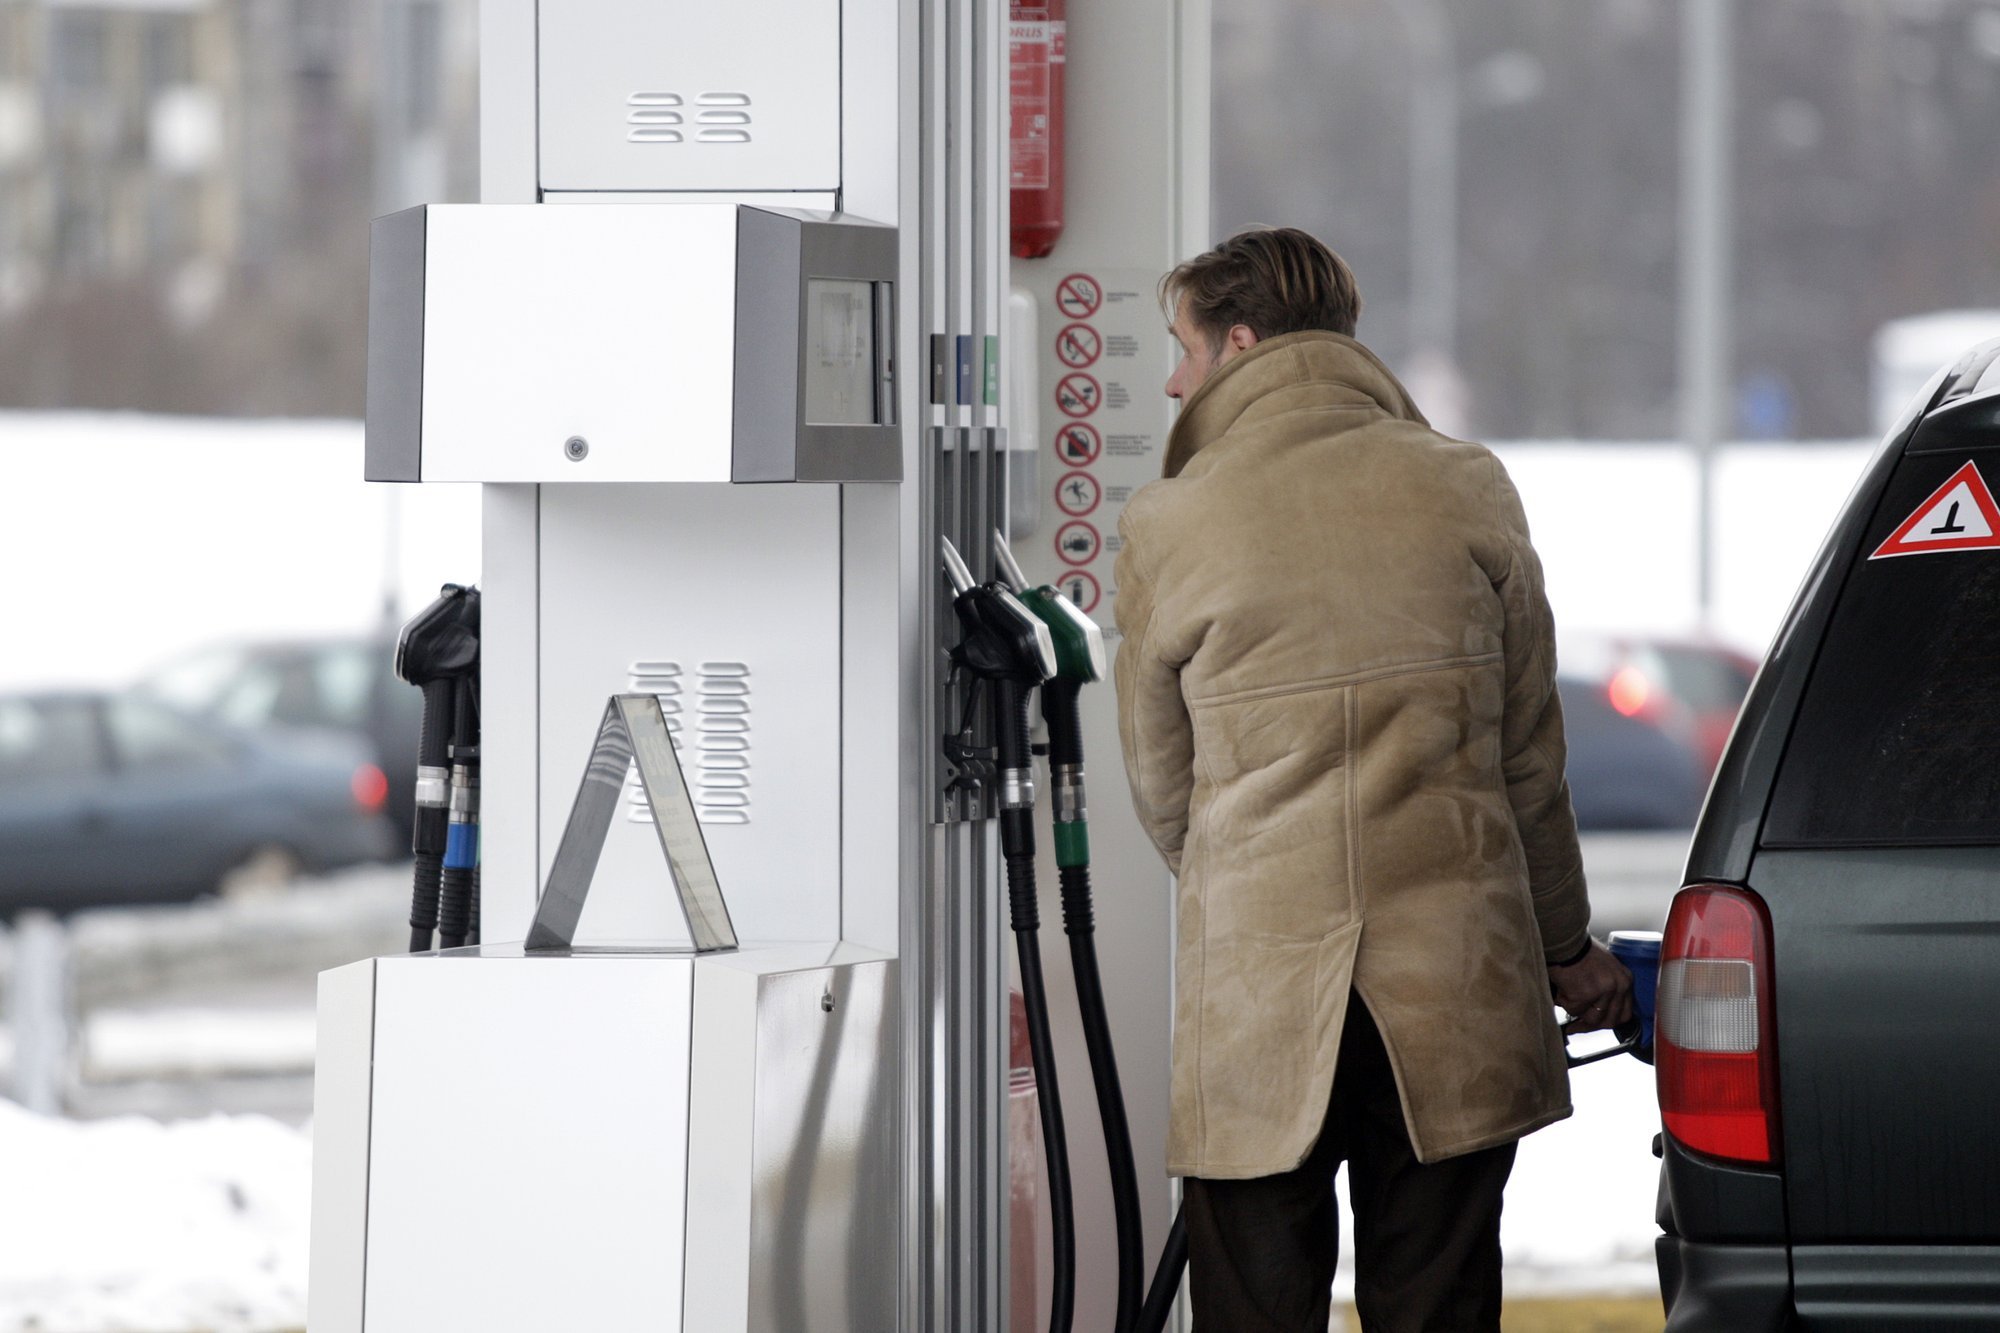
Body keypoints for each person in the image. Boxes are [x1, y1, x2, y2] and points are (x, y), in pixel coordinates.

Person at [1112, 227, 1633, 1332]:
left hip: (1259, 991)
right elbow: (1528, 760)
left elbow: (1164, 790)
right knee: (1436, 1300)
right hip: (1450, 980)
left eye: (1182, 347)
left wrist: (1252, 873)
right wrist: (1564, 948)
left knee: (1253, 1307)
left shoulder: (1171, 519)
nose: (1171, 378)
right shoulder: (1464, 485)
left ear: (1238, 344)